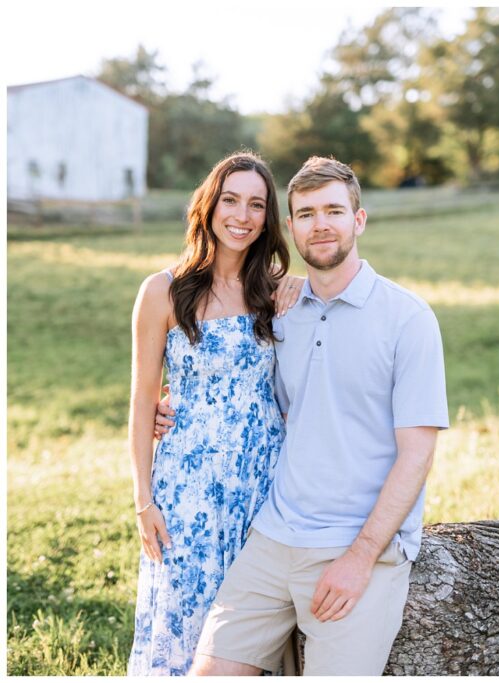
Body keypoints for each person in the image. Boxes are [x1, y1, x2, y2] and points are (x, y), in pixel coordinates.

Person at [156, 156, 448, 676]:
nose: (320, 224)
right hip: (273, 537)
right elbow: (245, 391)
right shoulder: (279, 313)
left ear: (359, 220)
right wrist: (170, 408)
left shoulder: (408, 319)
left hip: (358, 546)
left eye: (333, 210)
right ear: (290, 229)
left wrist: (360, 558)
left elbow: (418, 454)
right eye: (306, 214)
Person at [127, 152, 303, 675]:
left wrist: (298, 286)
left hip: (263, 482)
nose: (242, 216)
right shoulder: (163, 290)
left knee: (252, 625)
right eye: (231, 200)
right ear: (208, 205)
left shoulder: (274, 291)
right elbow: (141, 403)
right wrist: (142, 500)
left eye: (256, 205)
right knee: (184, 619)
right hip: (188, 486)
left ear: (268, 218)